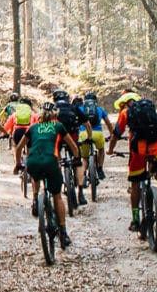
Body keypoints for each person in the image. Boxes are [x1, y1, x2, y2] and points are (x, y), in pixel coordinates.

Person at [107, 92, 157, 235]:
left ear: (124, 104)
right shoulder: (150, 111)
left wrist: (110, 150)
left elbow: (116, 134)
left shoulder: (126, 113)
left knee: (135, 184)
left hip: (139, 151)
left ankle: (135, 220)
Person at [19, 102, 78, 249]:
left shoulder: (32, 127)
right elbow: (73, 146)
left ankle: (35, 199)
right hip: (51, 162)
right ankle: (63, 233)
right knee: (57, 195)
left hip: (33, 162)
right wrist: (76, 159)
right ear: (55, 115)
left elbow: (19, 147)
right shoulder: (58, 126)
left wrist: (17, 164)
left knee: (36, 174)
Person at [52, 90, 85, 204]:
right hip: (72, 137)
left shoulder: (52, 108)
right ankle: (81, 192)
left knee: (56, 156)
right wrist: (88, 137)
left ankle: (59, 173)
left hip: (57, 137)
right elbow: (87, 124)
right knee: (78, 162)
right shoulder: (73, 107)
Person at [79, 92, 109, 178]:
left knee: (84, 157)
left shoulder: (80, 109)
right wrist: (111, 135)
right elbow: (108, 124)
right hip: (97, 134)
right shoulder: (100, 109)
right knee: (101, 150)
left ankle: (83, 175)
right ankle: (100, 168)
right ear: (95, 101)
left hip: (84, 133)